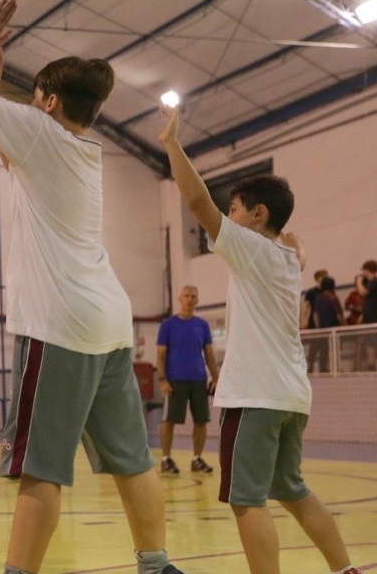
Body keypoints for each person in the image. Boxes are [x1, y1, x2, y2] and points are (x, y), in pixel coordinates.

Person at [0, 1, 182, 573]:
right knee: (132, 461)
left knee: (40, 466)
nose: (29, 105)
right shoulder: (82, 150)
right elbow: (13, 158)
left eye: (35, 97)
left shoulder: (39, 131)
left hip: (59, 326)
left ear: (49, 101)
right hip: (108, 323)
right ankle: (157, 565)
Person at [158, 105, 360, 574]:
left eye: (235, 210)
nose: (227, 217)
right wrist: (297, 244)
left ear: (258, 215)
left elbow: (196, 202)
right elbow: (297, 248)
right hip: (291, 395)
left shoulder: (251, 248)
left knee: (246, 500)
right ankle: (345, 569)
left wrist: (171, 143)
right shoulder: (286, 258)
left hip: (256, 395)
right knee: (291, 488)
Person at [156, 285, 219, 475]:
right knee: (169, 421)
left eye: (193, 296)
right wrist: (162, 379)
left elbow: (208, 354)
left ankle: (197, 459)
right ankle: (166, 460)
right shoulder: (167, 325)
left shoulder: (202, 325)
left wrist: (216, 377)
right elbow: (160, 355)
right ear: (179, 299)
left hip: (198, 380)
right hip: (175, 381)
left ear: (197, 300)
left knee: (201, 421)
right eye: (186, 296)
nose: (189, 299)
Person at [300, 269, 328, 374]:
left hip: (325, 322)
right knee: (313, 348)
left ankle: (323, 368)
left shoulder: (328, 292)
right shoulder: (312, 292)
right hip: (313, 323)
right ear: (317, 280)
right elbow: (305, 306)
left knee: (325, 348)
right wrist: (302, 321)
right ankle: (310, 368)